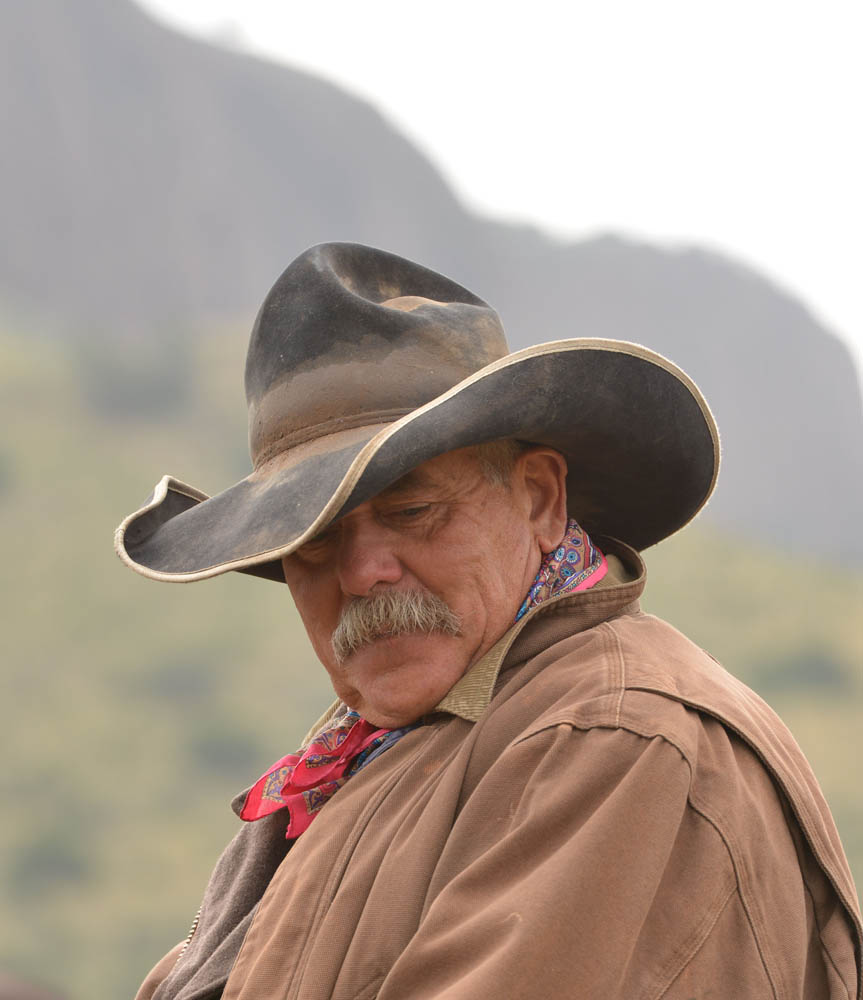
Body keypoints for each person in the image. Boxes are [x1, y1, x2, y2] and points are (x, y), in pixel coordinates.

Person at [116, 242, 861, 1000]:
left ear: (538, 499)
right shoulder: (369, 757)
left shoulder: (612, 739)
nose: (362, 572)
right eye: (313, 544)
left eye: (411, 510)